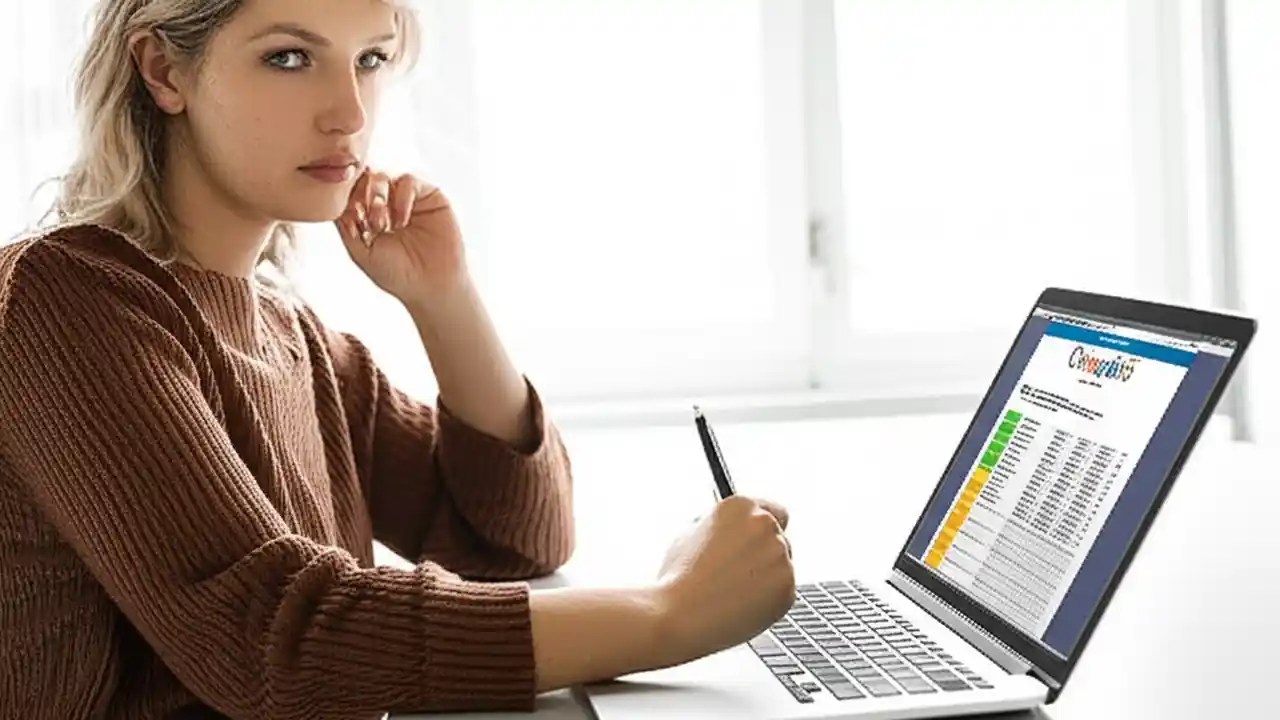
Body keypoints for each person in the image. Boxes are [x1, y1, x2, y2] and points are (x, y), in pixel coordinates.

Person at [0, 1, 796, 718]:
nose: (348, 112)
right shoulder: (66, 298)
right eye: (289, 57)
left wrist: (445, 299)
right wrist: (668, 614)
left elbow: (512, 540)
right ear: (164, 69)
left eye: (371, 59)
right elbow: (273, 642)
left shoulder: (291, 337)